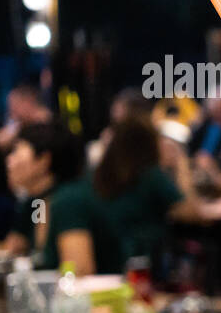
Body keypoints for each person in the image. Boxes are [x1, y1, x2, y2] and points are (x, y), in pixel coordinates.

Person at [44, 116, 201, 275]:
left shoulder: (96, 177)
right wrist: (181, 164)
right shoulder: (150, 176)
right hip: (141, 266)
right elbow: (191, 213)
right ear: (151, 143)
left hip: (112, 264)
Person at [0, 123, 85, 262]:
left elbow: (79, 270)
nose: (9, 160)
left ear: (44, 160)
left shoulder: (68, 202)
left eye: (16, 151)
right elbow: (8, 254)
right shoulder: (35, 203)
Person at [0, 83, 53, 151]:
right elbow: (1, 139)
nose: (11, 114)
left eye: (14, 107)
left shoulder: (48, 126)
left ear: (27, 103)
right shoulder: (23, 123)